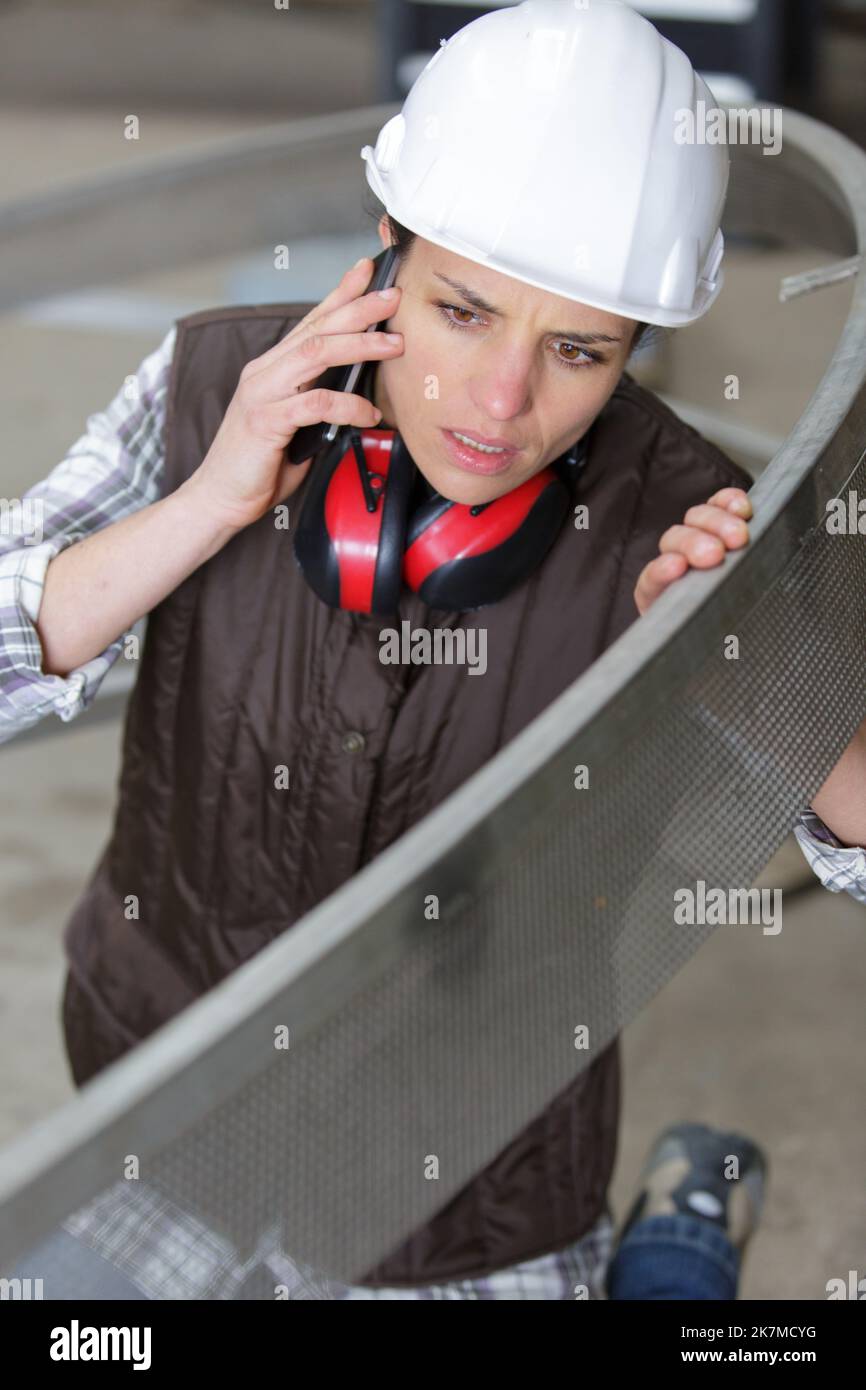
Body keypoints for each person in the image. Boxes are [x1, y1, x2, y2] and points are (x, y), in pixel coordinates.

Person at [1, 0, 864, 1300]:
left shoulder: (690, 527)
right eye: (461, 311)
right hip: (169, 1140)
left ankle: (677, 1239)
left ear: (639, 347)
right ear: (384, 253)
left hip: (471, 1200)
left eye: (577, 349)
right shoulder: (211, 389)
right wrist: (206, 504)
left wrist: (746, 676)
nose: (502, 400)